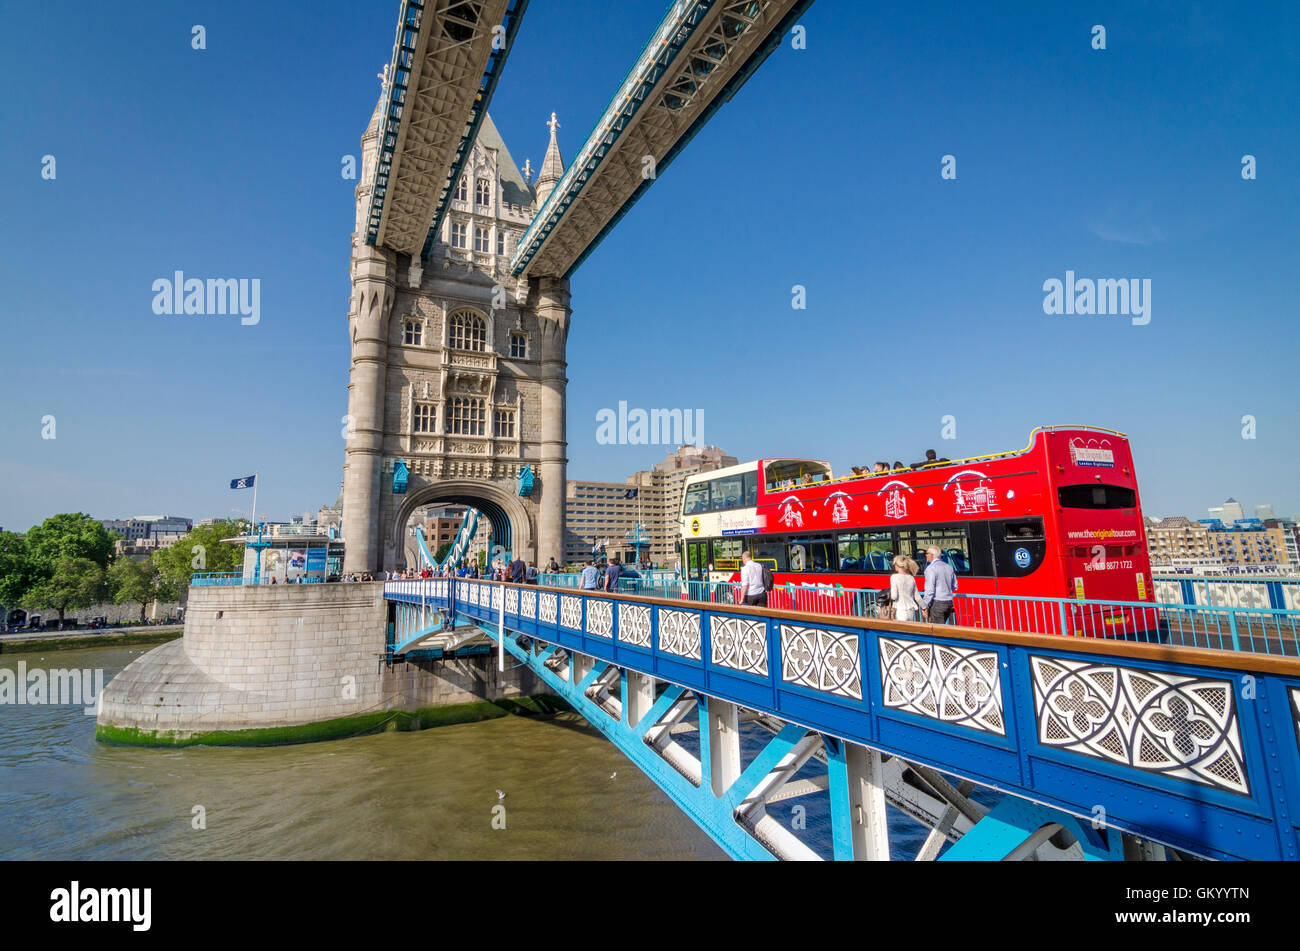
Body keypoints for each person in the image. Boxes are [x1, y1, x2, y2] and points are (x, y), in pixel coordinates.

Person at [922, 546, 957, 624]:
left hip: (938, 603)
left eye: (927, 553)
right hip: (949, 602)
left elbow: (929, 590)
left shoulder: (931, 568)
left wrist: (924, 606)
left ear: (932, 555)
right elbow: (954, 586)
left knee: (936, 630)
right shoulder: (949, 567)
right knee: (942, 628)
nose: (925, 555)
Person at [889, 556, 924, 621]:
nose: (894, 566)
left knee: (900, 630)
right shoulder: (911, 578)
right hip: (911, 610)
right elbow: (917, 597)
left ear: (898, 565)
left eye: (895, 564)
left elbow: (894, 596)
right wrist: (924, 607)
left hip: (900, 610)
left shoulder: (894, 577)